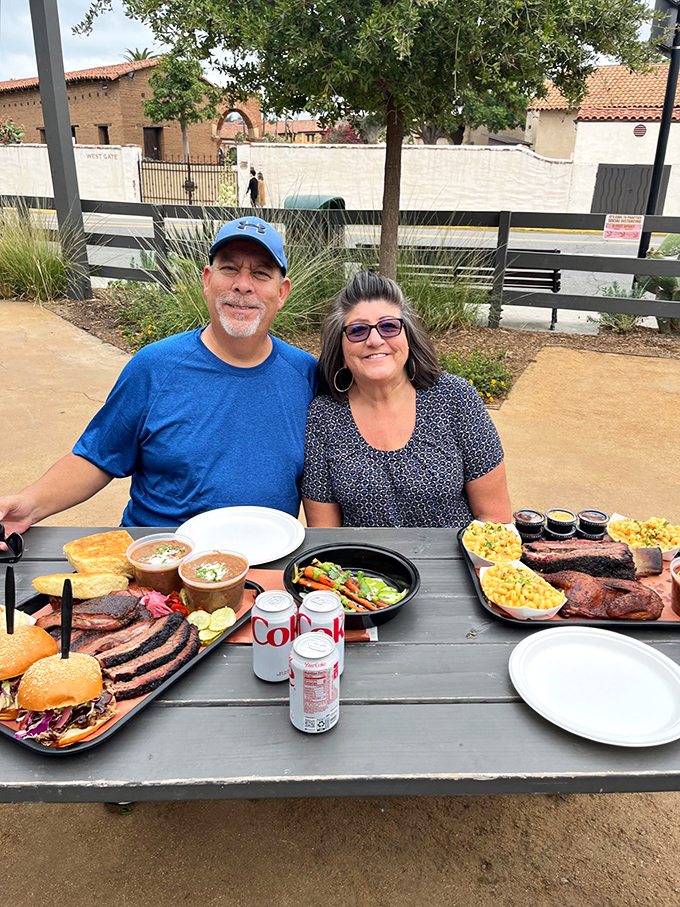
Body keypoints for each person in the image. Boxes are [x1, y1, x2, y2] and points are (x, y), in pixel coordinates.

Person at [0, 217, 316, 533]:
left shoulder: (306, 376)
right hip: (160, 558)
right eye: (229, 268)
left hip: (265, 559)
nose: (243, 285)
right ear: (207, 280)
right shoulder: (155, 367)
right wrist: (29, 505)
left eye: (260, 273)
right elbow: (98, 457)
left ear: (282, 292)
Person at [301, 271, 511, 528]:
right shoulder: (324, 416)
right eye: (357, 331)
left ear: (408, 339)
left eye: (389, 326)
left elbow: (495, 520)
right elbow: (326, 536)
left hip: (455, 564)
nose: (375, 340)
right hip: (362, 568)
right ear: (341, 350)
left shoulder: (456, 398)